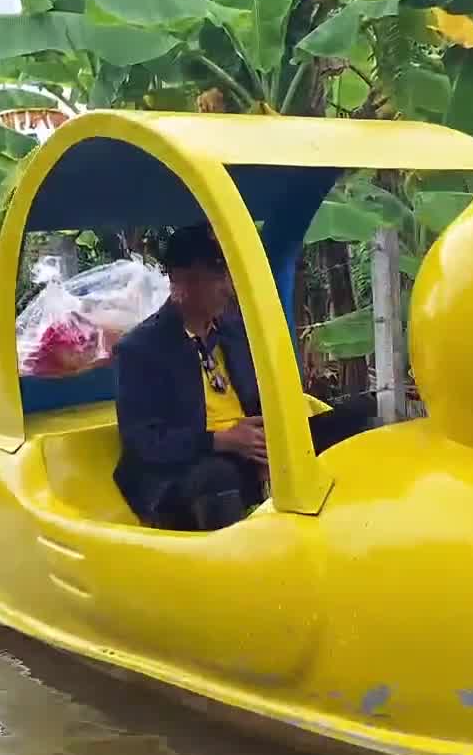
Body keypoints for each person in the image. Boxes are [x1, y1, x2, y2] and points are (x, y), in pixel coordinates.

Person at [113, 224, 372, 531]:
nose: (228, 287)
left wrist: (271, 443)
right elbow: (145, 441)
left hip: (250, 450)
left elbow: (264, 396)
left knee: (362, 416)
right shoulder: (140, 350)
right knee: (217, 476)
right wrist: (220, 441)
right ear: (180, 282)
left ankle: (361, 531)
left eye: (228, 275)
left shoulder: (235, 330)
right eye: (217, 277)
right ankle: (235, 570)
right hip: (189, 466)